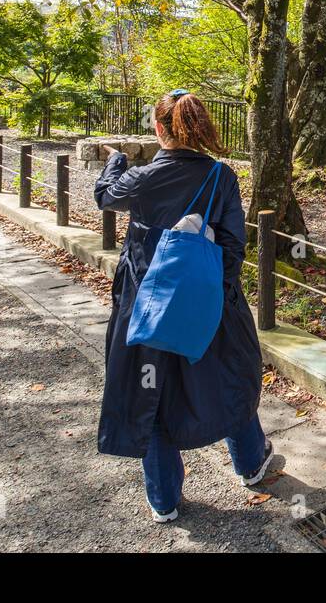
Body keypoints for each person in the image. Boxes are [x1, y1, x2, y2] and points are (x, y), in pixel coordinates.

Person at [94, 89, 272, 523]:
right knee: (229, 380)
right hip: (208, 300)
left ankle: (164, 498)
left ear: (159, 129)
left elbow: (104, 196)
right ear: (199, 126)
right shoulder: (220, 177)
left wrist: (117, 159)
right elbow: (233, 247)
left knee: (149, 389)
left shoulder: (141, 178)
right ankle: (250, 463)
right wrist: (214, 291)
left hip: (145, 305)